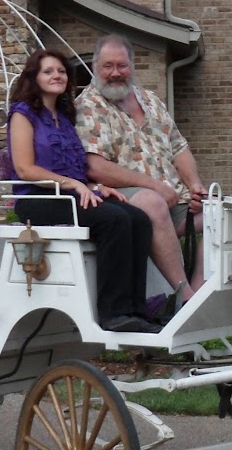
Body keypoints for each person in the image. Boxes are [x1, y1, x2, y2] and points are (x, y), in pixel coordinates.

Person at [6, 48, 160, 333]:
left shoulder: (64, 118)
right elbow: (25, 169)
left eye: (62, 71)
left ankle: (136, 309)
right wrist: (75, 185)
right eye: (48, 71)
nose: (57, 76)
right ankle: (113, 313)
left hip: (70, 194)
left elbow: (75, 170)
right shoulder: (23, 114)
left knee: (137, 218)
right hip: (37, 199)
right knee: (113, 220)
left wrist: (97, 187)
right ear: (34, 77)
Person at [76, 33, 206, 300]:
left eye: (121, 65)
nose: (115, 73)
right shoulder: (87, 106)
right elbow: (95, 167)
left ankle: (203, 294)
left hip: (174, 200)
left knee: (221, 213)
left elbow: (179, 148)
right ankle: (184, 296)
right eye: (107, 66)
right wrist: (156, 186)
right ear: (95, 68)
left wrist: (195, 186)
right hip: (127, 200)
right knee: (152, 202)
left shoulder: (151, 100)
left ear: (132, 66)